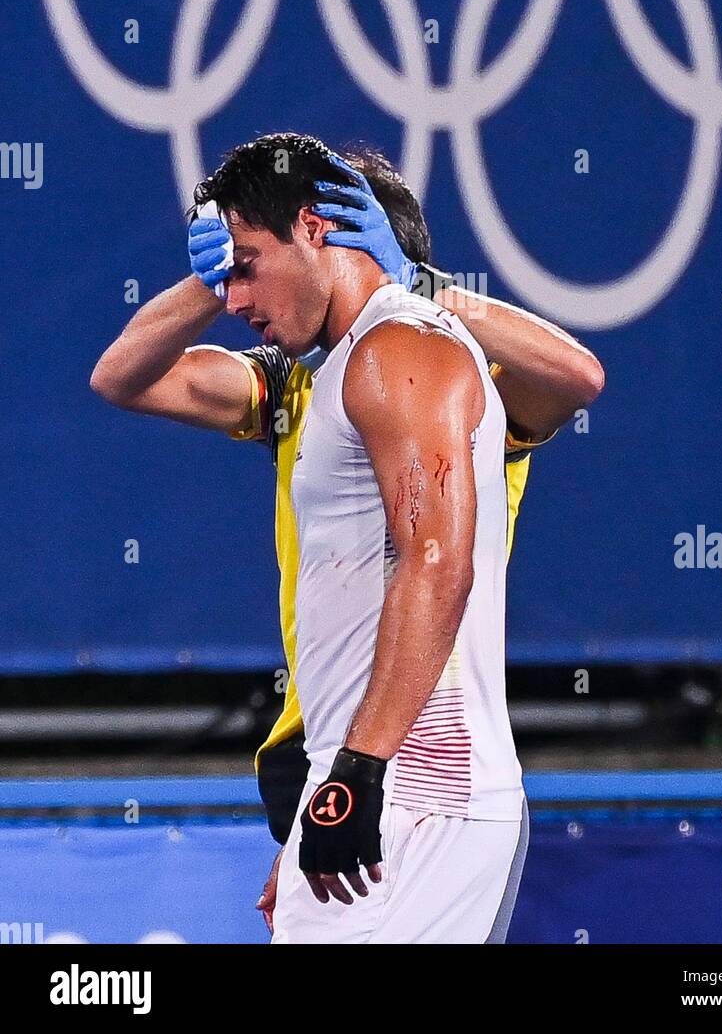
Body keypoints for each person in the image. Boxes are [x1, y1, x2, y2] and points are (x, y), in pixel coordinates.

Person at [91, 133, 604, 943]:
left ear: (321, 231)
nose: (235, 297)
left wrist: (357, 779)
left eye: (249, 263)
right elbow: (121, 376)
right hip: (346, 756)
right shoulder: (308, 381)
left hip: (409, 773)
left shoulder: (409, 357)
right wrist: (209, 273)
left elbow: (442, 561)